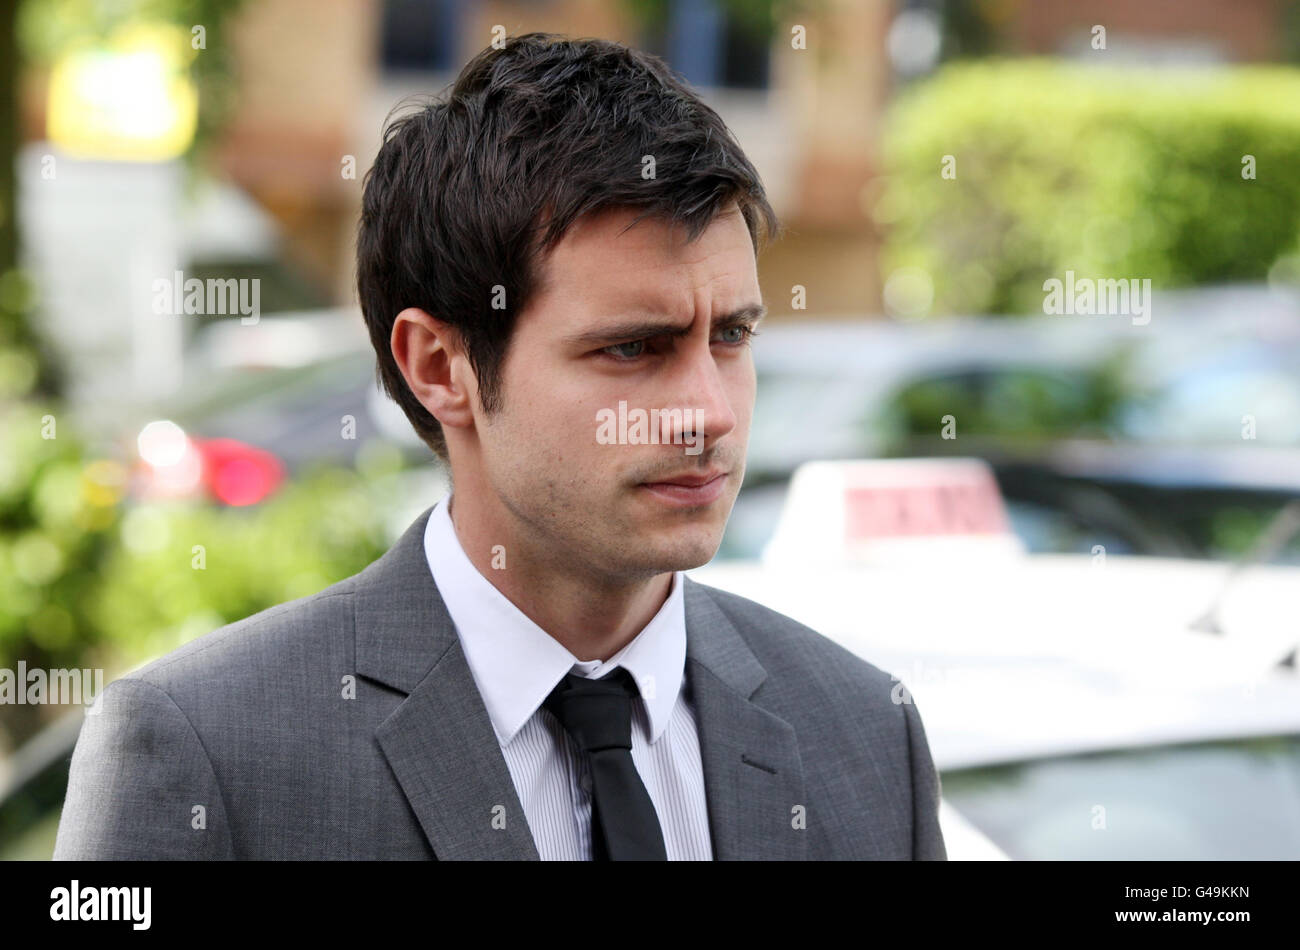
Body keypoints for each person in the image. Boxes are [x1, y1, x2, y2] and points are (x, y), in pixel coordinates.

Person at [54, 32, 946, 861]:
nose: (705, 413)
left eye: (732, 338)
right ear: (441, 366)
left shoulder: (863, 738)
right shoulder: (207, 751)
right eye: (631, 348)